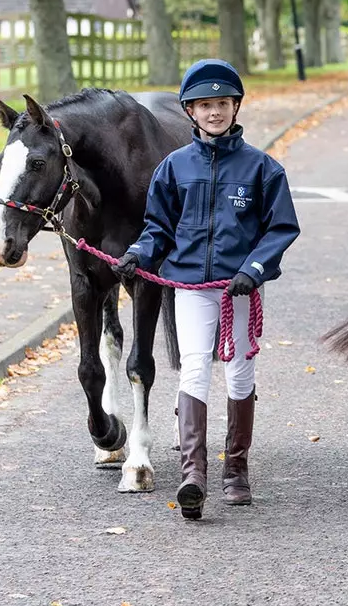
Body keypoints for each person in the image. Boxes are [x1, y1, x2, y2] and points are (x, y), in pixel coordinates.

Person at [113, 59, 300, 521]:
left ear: (235, 107)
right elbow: (158, 227)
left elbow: (281, 228)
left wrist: (254, 268)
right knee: (193, 368)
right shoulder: (174, 168)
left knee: (238, 373)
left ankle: (236, 470)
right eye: (204, 105)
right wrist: (139, 252)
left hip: (239, 288)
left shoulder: (262, 169)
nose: (214, 112)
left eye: (221, 104)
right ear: (190, 111)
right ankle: (193, 474)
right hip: (192, 286)